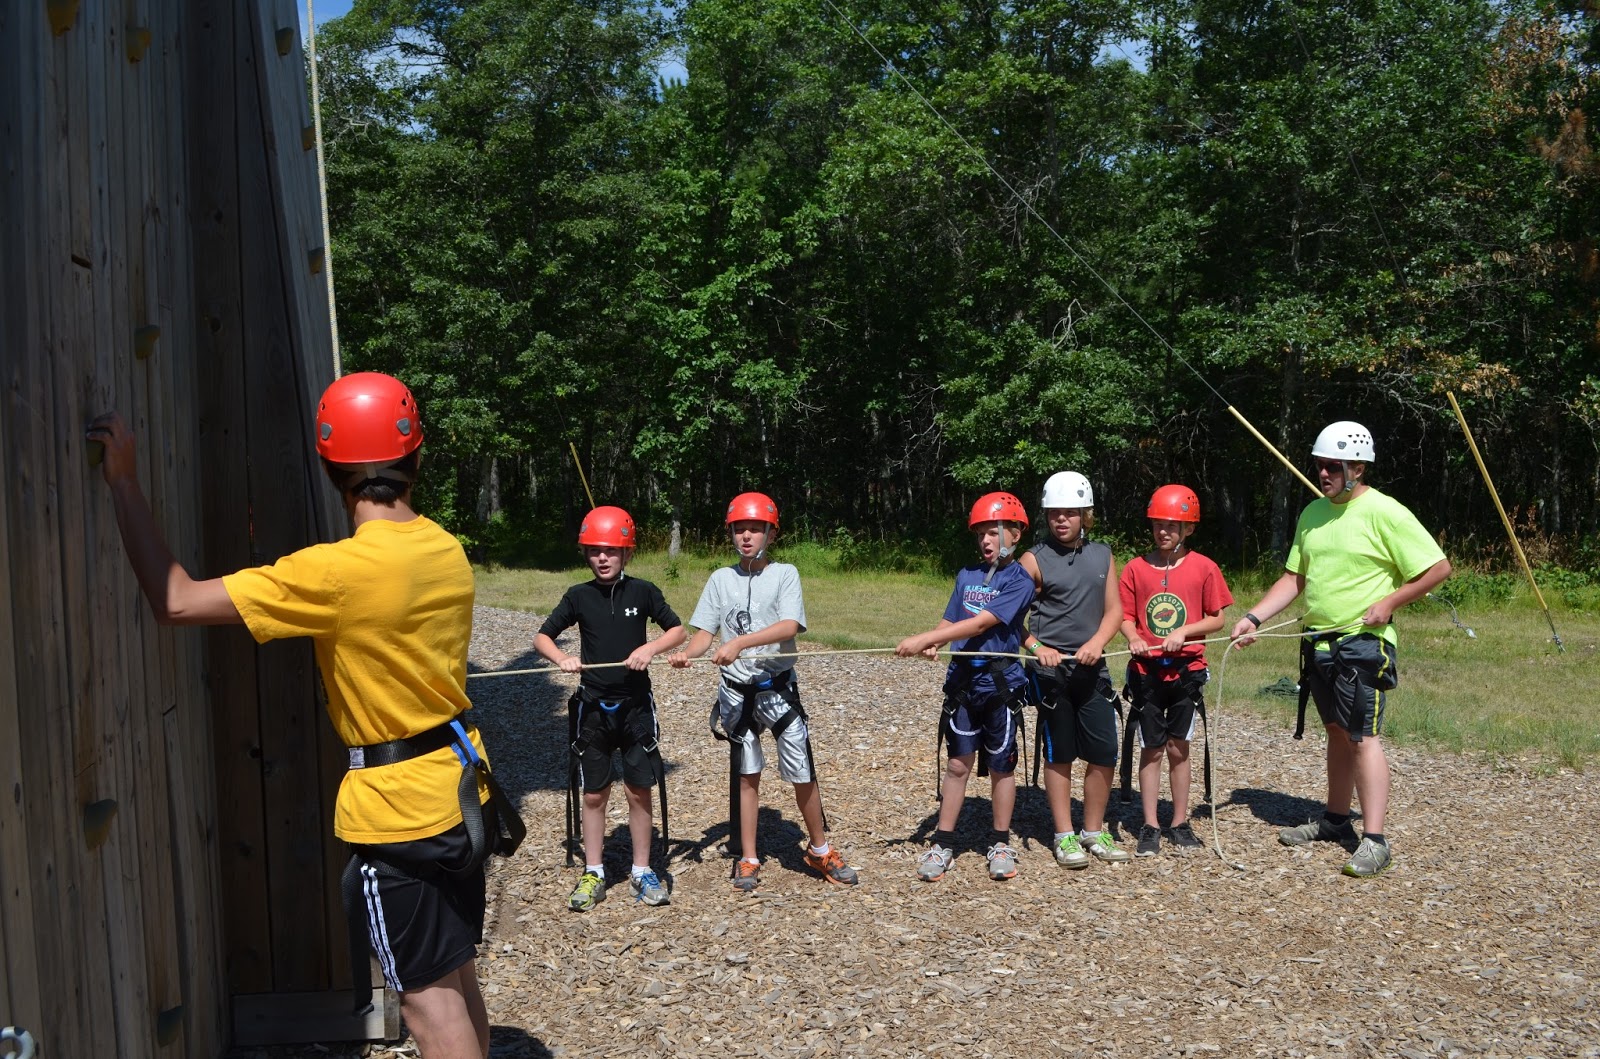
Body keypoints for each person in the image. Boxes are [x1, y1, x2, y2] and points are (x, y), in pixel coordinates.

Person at [88, 372, 518, 1059]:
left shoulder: (332, 573)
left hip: (397, 819)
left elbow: (174, 598)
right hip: (460, 791)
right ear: (418, 455)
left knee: (427, 1004)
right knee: (456, 981)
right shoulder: (445, 549)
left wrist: (123, 481)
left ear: (329, 468)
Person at [1230, 421, 1451, 879]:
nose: (1323, 473)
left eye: (1332, 466)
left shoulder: (1385, 512)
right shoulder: (1313, 514)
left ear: (1357, 467)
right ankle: (1335, 821)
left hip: (1364, 644)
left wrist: (1389, 603)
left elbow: (1437, 567)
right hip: (1320, 644)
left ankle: (1375, 839)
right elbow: (1296, 579)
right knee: (1335, 731)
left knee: (1361, 736)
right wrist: (1254, 617)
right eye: (1319, 465)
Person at [667, 493, 857, 891]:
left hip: (778, 690)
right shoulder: (720, 579)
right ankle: (749, 858)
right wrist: (688, 654)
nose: (747, 536)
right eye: (739, 529)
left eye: (755, 528)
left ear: (772, 532)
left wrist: (740, 643)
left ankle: (819, 849)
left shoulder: (785, 573)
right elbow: (705, 633)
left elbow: (790, 625)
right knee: (747, 773)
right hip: (737, 693)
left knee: (801, 771)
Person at [533, 506, 686, 912]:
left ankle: (640, 869)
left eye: (612, 550)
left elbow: (677, 630)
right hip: (593, 710)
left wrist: (651, 648)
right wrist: (560, 660)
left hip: (636, 708)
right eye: (595, 550)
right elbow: (543, 637)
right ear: (586, 553)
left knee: (639, 790)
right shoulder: (578, 596)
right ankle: (595, 870)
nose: (603, 558)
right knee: (595, 794)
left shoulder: (644, 591)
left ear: (627, 553)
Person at [897, 492, 1033, 883]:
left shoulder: (1019, 581)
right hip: (962, 685)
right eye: (981, 535)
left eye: (994, 533)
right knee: (957, 764)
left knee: (1001, 766)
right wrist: (935, 640)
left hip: (999, 685)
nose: (986, 541)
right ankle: (943, 842)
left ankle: (1001, 840)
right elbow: (951, 620)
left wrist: (922, 637)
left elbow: (980, 624)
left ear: (1015, 534)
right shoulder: (966, 576)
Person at [1018, 472, 1131, 869]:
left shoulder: (1103, 554)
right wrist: (1037, 647)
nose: (1061, 520)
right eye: (1054, 513)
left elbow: (1115, 610)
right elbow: (1010, 616)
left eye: (1069, 513)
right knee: (1060, 752)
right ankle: (1064, 835)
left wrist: (1098, 642)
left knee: (1104, 752)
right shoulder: (1033, 559)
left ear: (1086, 515)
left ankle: (1093, 830)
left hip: (1093, 671)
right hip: (1052, 675)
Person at [1118, 485, 1233, 857]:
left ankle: (1179, 822)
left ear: (1189, 529)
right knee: (1151, 748)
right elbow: (1124, 615)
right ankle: (1150, 824)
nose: (1163, 531)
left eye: (1172, 525)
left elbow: (1218, 618)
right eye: (1157, 525)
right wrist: (1134, 636)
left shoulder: (1204, 568)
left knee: (1178, 748)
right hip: (1147, 672)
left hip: (1187, 671)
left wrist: (1184, 631)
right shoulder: (1136, 568)